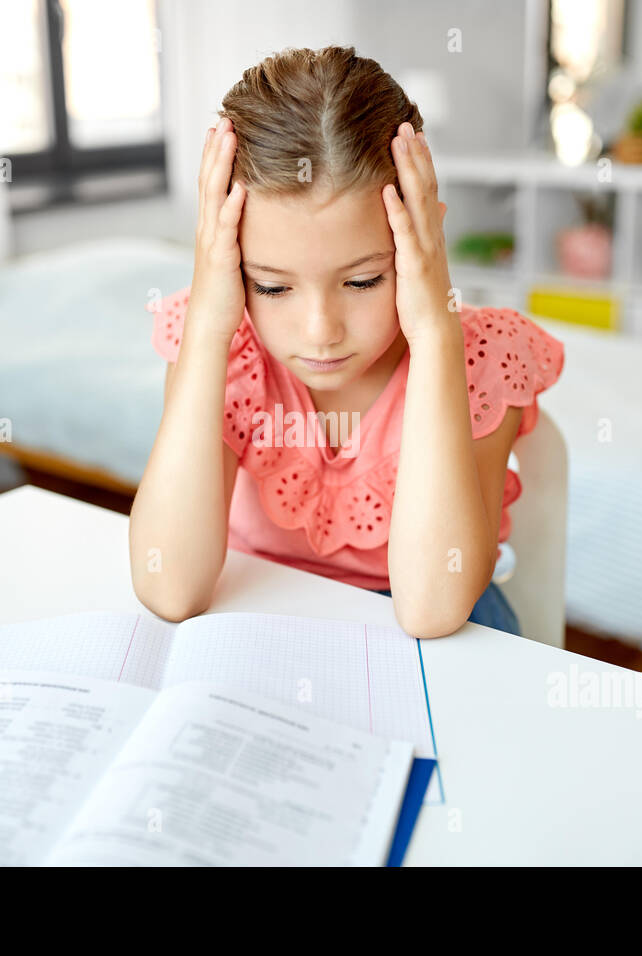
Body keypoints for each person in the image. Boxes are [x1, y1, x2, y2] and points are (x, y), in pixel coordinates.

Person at [129, 45, 563, 640]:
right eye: (273, 286)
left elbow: (433, 608)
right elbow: (169, 587)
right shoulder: (221, 346)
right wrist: (208, 323)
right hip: (260, 632)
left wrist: (435, 330)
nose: (320, 331)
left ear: (423, 245)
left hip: (436, 652)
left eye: (362, 281)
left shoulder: (479, 357)